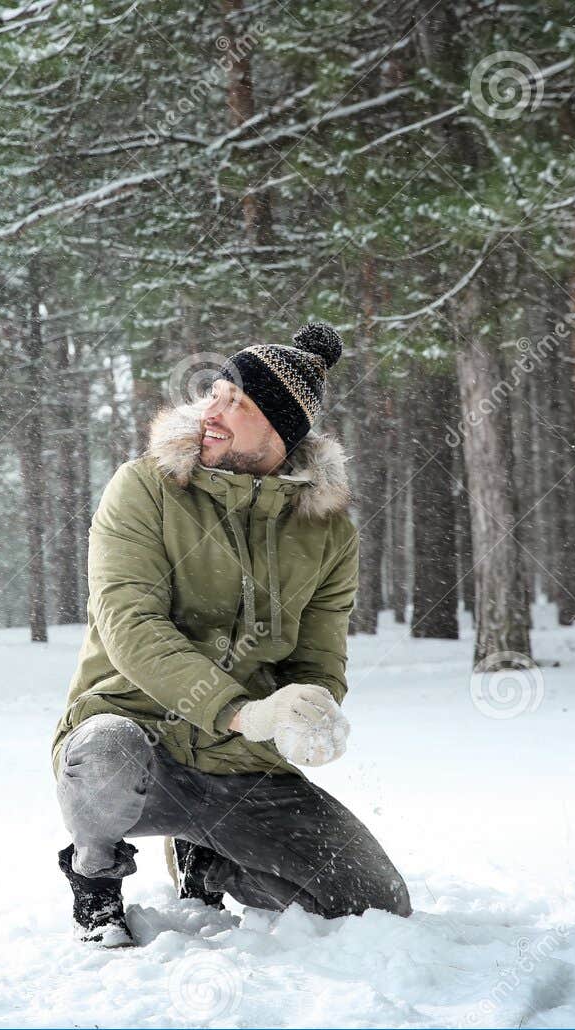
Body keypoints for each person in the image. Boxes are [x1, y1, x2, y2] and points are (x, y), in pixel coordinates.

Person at [51, 323, 411, 947]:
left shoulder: (327, 533)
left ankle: (209, 859)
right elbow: (131, 626)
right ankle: (96, 879)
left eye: (235, 403)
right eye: (214, 393)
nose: (209, 412)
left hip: (242, 765)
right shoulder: (144, 489)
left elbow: (320, 656)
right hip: (141, 741)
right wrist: (241, 712)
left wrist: (312, 711)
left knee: (374, 904)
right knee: (105, 750)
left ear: (282, 434)